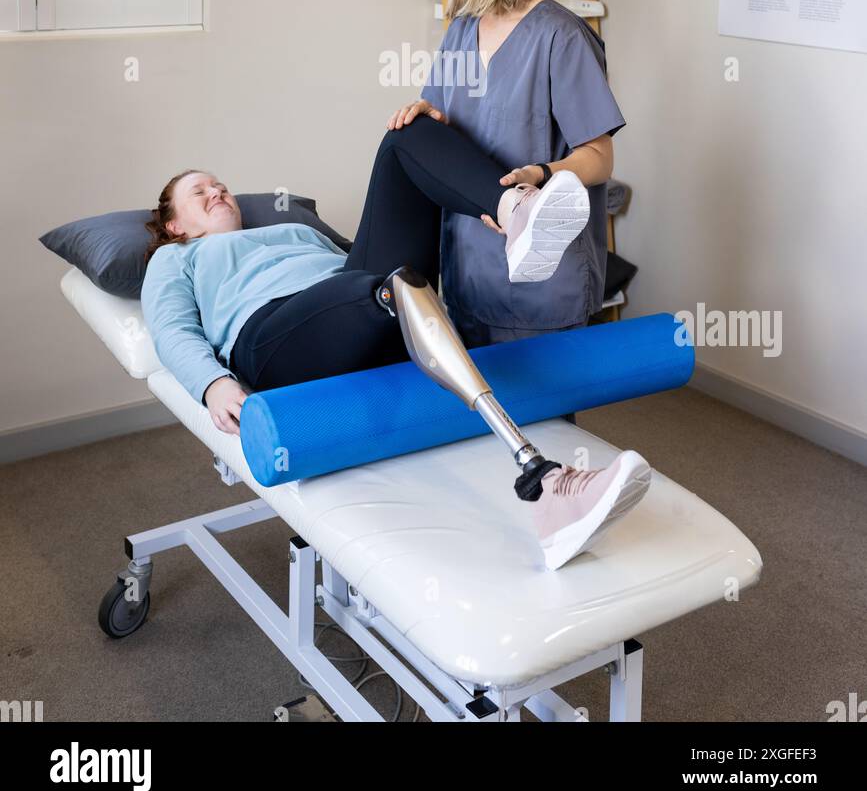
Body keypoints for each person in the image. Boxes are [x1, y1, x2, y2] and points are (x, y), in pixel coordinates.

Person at [141, 117, 650, 570]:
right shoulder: (175, 259)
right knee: (383, 287)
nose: (217, 192)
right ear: (174, 224)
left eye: (219, 185)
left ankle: (514, 208)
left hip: (357, 299)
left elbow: (358, 255)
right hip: (276, 336)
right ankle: (545, 483)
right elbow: (171, 329)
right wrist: (211, 384)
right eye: (198, 192)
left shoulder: (293, 230)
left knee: (405, 137)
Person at [389, 0, 625, 351]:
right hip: (471, 272)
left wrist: (542, 173)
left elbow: (599, 159)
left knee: (545, 426)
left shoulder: (561, 36)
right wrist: (422, 119)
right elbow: (446, 126)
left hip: (542, 286)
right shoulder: (460, 30)